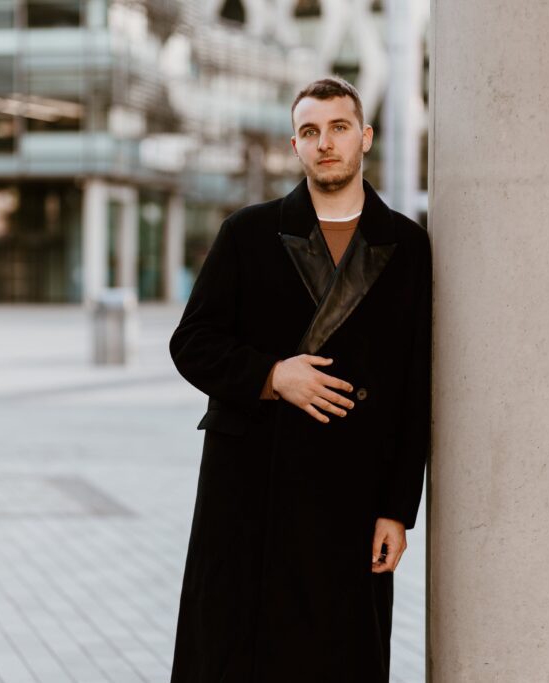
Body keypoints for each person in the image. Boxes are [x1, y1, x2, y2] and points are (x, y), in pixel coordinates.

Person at [168, 77, 432, 681]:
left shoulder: (409, 247)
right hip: (250, 489)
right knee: (238, 651)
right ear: (295, 145)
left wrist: (397, 509)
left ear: (364, 137)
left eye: (339, 128)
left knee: (339, 655)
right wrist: (271, 375)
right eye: (310, 132)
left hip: (352, 489)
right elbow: (192, 342)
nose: (325, 143)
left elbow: (414, 389)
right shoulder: (246, 233)